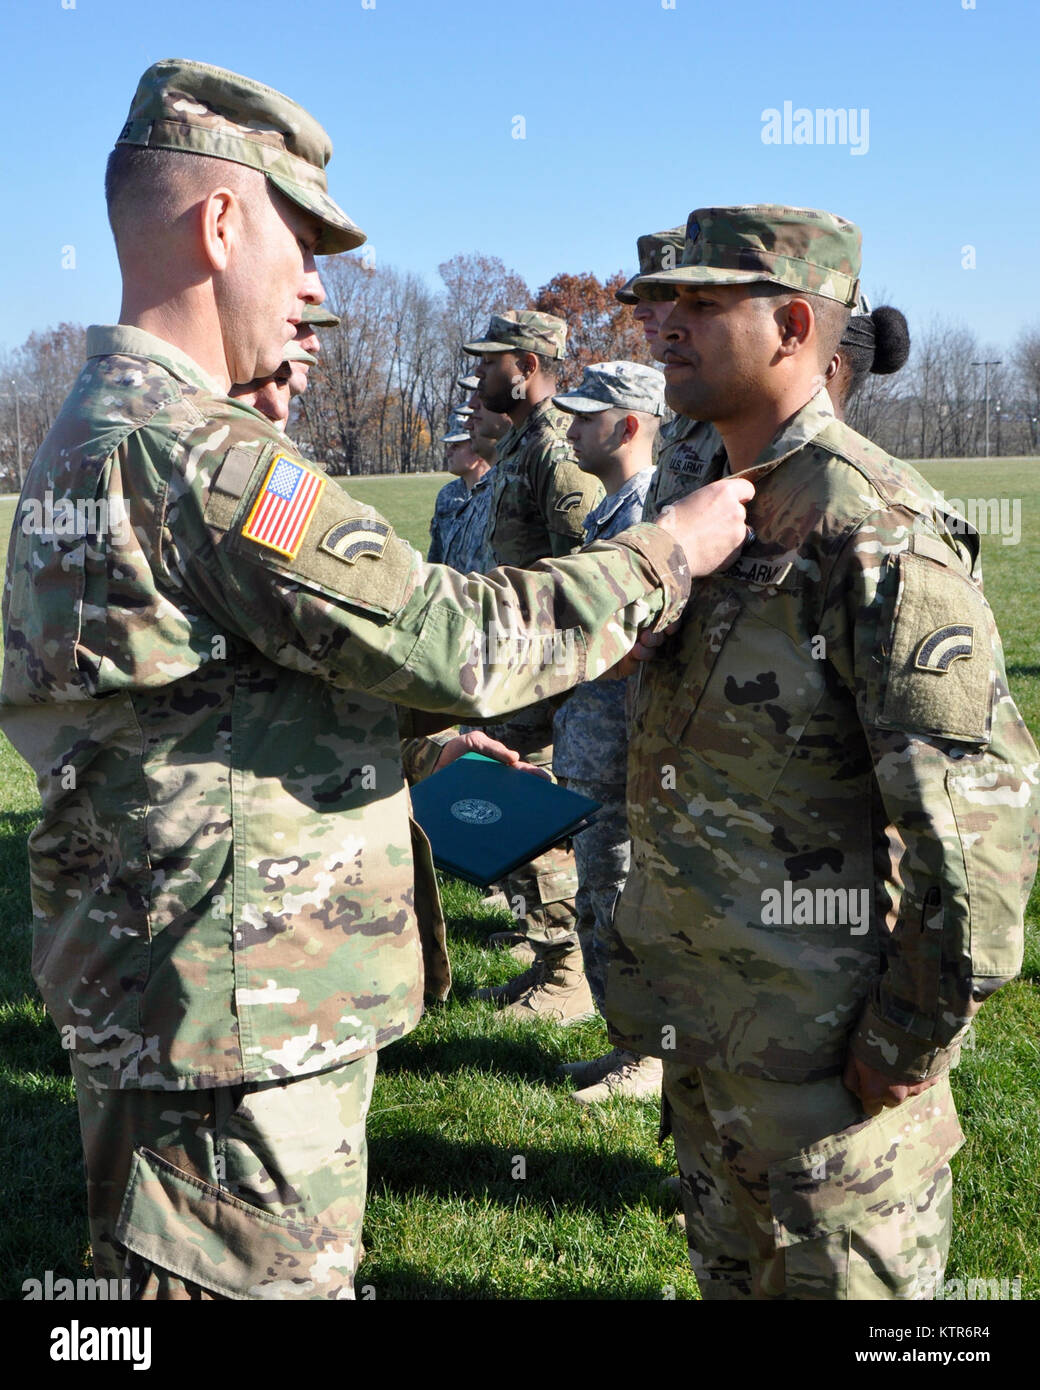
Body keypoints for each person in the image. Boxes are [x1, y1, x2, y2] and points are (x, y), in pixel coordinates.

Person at [0, 60, 753, 1300]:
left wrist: (404, 748)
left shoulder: (98, 427)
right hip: (233, 1023)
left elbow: (197, 692)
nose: (312, 286)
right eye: (301, 241)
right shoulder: (202, 453)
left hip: (180, 993)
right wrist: (668, 551)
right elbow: (456, 636)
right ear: (221, 222)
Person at [611, 203, 1040, 1300]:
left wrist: (903, 1041)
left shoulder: (871, 526)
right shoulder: (708, 501)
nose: (664, 325)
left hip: (830, 1084)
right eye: (662, 303)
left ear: (794, 324)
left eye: (702, 305)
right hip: (711, 1041)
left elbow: (977, 830)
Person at [464, 312, 603, 1022]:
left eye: (490, 361)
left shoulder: (555, 448)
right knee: (502, 808)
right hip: (511, 666)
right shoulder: (522, 442)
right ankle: (544, 952)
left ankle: (567, 975)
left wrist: (557, 666)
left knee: (520, 811)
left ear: (524, 365)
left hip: (543, 671)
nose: (479, 374)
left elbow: (585, 563)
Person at [549, 361, 667, 1102]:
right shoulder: (610, 510)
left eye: (585, 418)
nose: (570, 430)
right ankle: (626, 1043)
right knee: (599, 894)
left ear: (628, 426)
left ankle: (650, 1058)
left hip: (627, 754)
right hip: (594, 750)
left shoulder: (649, 513)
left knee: (625, 900)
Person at [427, 409, 492, 573]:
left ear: (478, 447)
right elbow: (436, 555)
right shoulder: (447, 495)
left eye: (456, 446)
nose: (448, 452)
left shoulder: (498, 492)